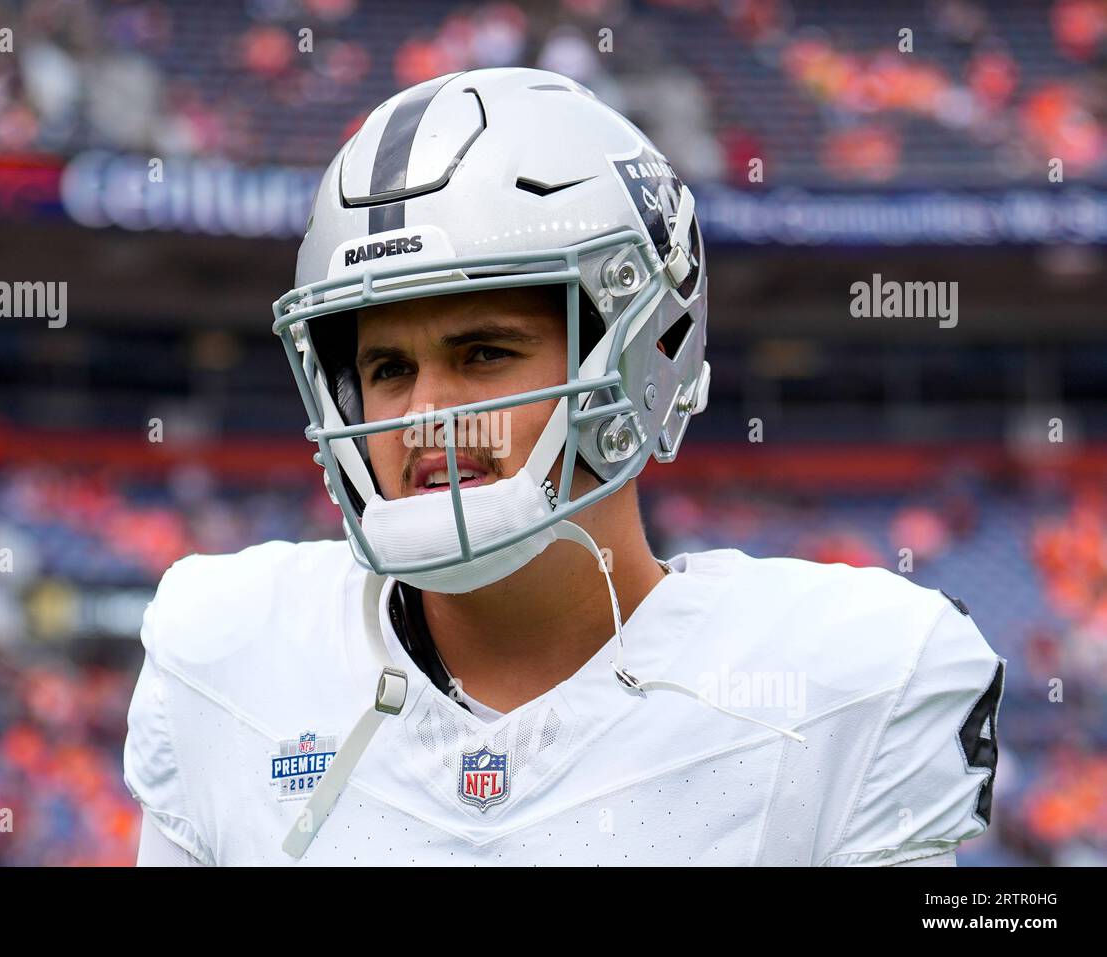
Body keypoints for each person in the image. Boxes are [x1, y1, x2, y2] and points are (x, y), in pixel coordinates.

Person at [125, 67, 1004, 866]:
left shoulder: (842, 684)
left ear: (637, 358)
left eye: (484, 352)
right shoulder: (226, 655)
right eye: (389, 369)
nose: (425, 414)